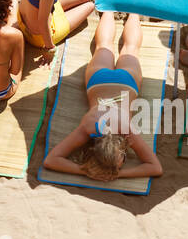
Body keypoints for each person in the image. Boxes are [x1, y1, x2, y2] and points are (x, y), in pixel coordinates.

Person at [41, 12, 163, 182]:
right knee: (106, 46)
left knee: (128, 48)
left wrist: (89, 171)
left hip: (125, 83)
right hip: (99, 81)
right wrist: (91, 171)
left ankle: (124, 12)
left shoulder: (125, 131)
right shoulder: (91, 127)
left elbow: (155, 168)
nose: (121, 166)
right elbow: (51, 160)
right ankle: (119, 10)